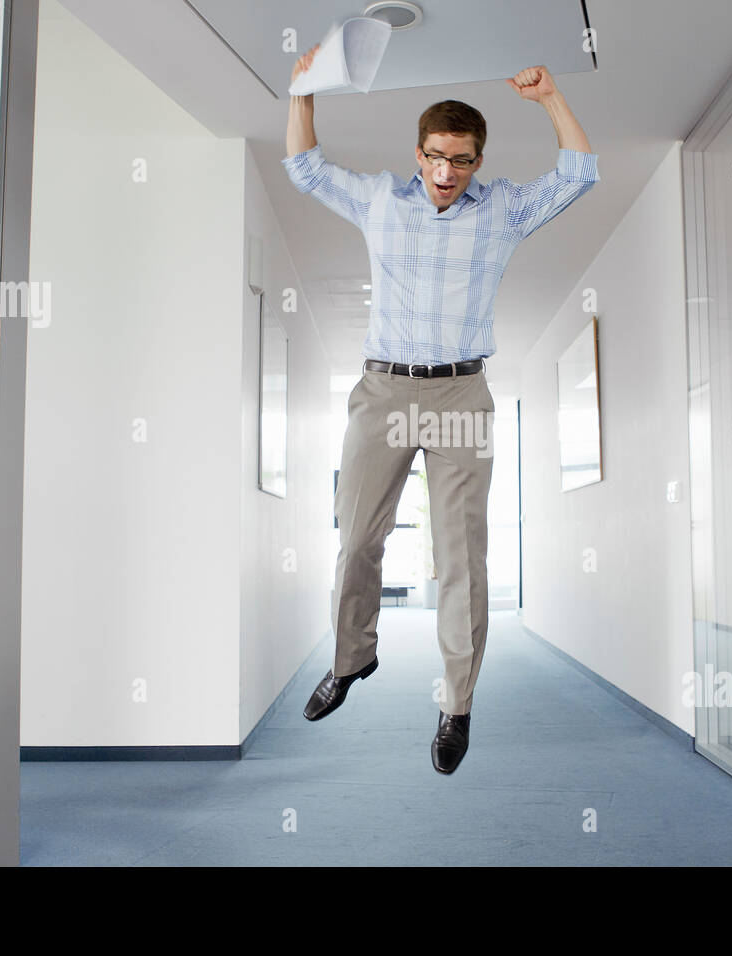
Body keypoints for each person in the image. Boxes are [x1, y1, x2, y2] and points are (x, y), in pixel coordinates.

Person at [283, 46, 599, 774]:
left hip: (461, 392)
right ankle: (352, 658)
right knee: (358, 538)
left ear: (478, 160)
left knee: (462, 559)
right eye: (435, 156)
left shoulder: (506, 213)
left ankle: (456, 705)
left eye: (460, 159)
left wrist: (551, 98)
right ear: (417, 152)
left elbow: (581, 172)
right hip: (384, 390)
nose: (446, 172)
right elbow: (303, 168)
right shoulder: (378, 202)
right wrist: (303, 91)